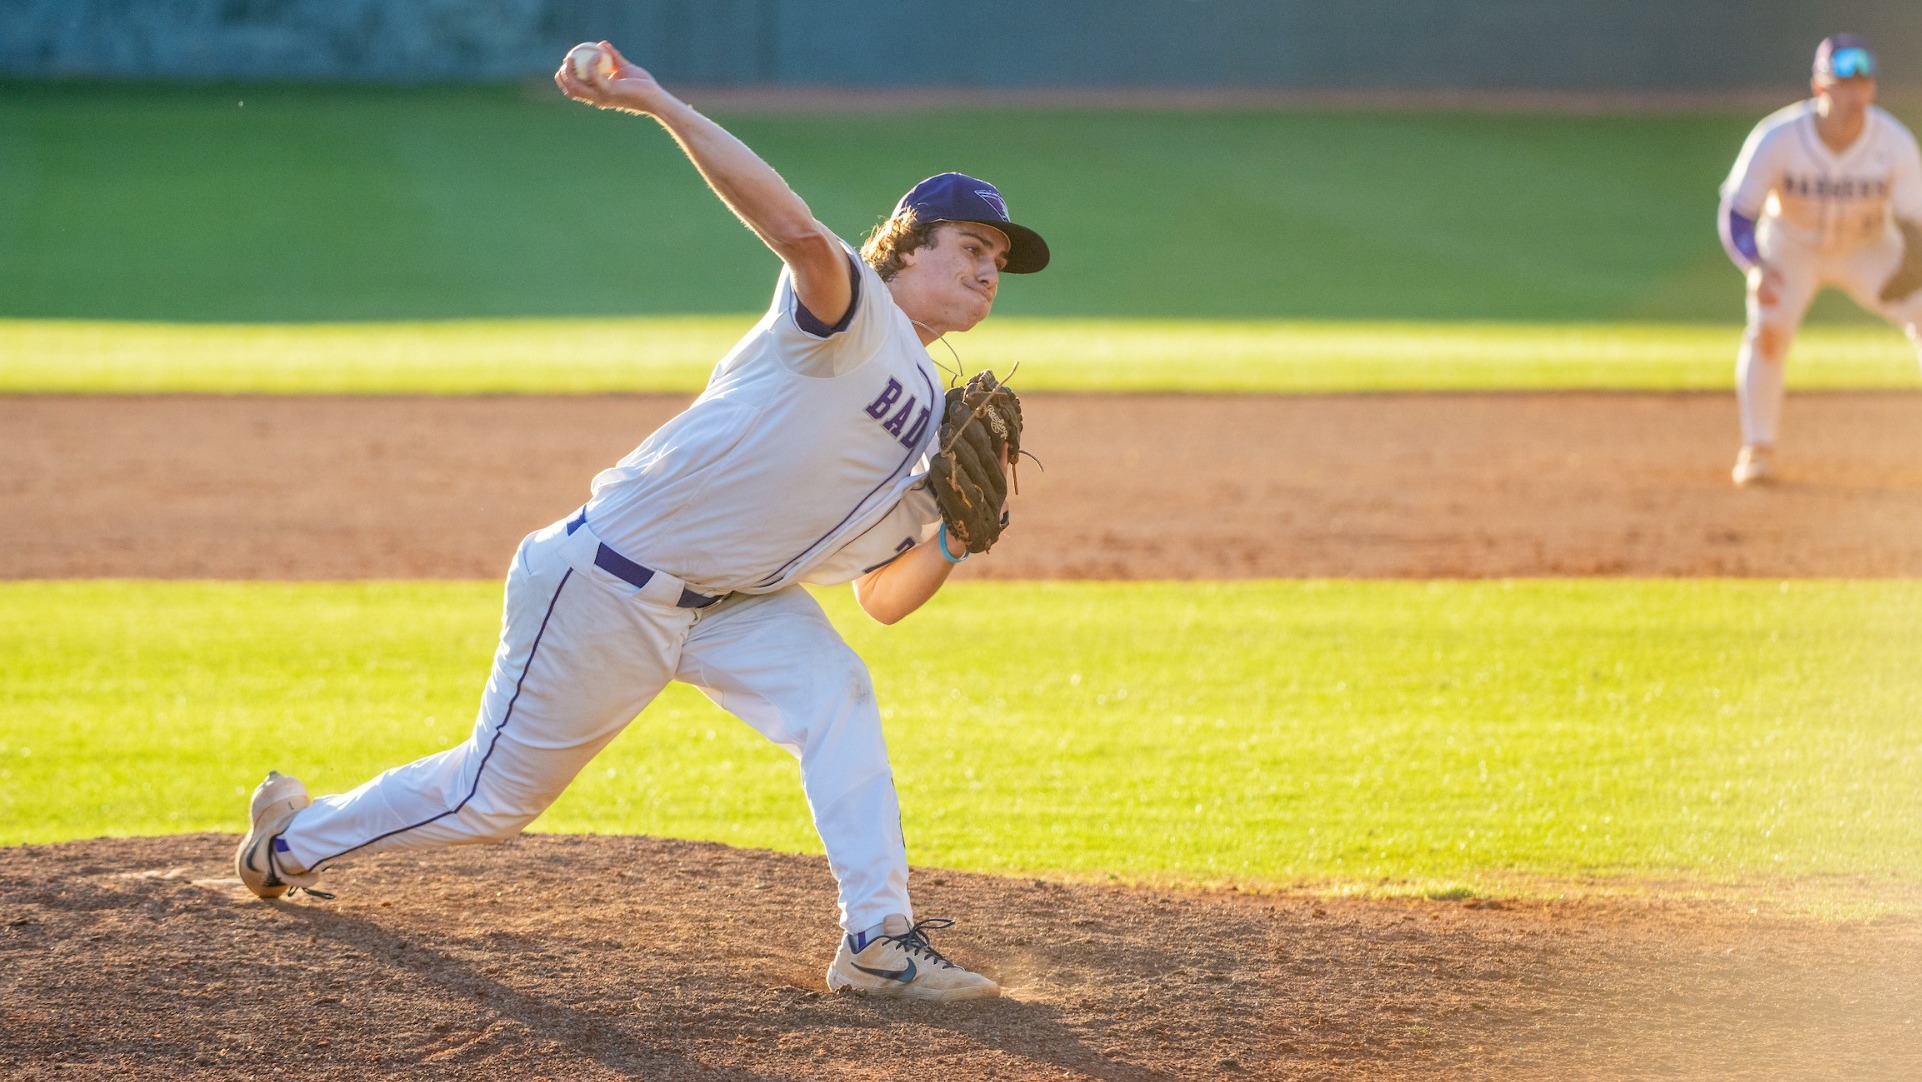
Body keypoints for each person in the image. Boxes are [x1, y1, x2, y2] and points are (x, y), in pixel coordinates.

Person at [233, 40, 1050, 1003]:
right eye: (971, 249)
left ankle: (878, 940)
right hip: (608, 582)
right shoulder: (854, 311)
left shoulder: (927, 422)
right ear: (904, 247)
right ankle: (287, 843)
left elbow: (879, 599)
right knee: (490, 801)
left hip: (738, 606)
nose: (989, 272)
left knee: (838, 694)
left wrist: (950, 540)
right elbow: (792, 227)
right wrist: (657, 101)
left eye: (998, 262)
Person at [1718, 33, 1922, 486]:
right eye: (1844, 85)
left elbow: (1916, 220)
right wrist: (1755, 265)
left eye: (1864, 86)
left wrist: (1913, 267)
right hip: (1790, 248)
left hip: (1868, 247)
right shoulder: (1778, 137)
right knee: (1768, 331)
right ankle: (1758, 448)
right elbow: (1736, 212)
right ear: (1819, 87)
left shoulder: (1893, 141)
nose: (1856, 96)